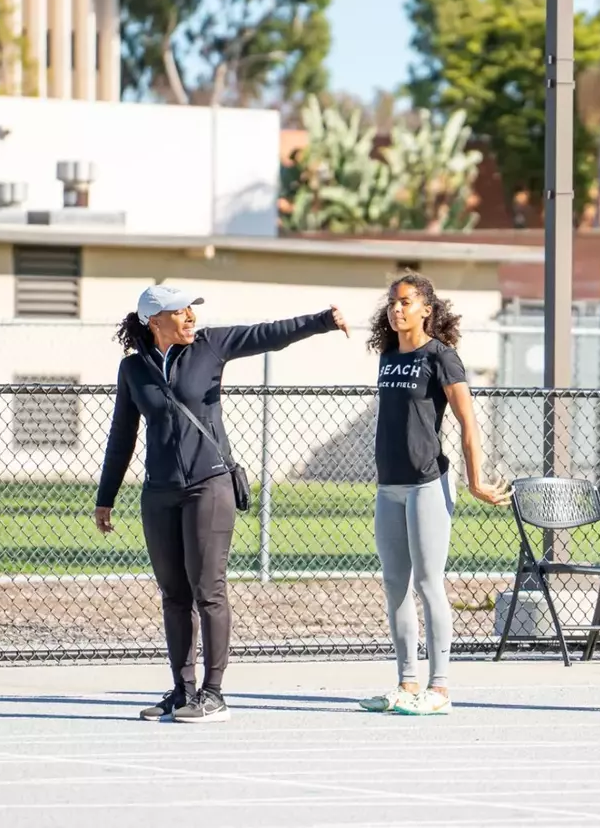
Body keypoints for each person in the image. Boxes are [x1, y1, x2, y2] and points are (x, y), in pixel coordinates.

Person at [94, 286, 347, 724]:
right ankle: (183, 690)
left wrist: (323, 320)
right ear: (155, 321)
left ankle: (214, 694)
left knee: (207, 590)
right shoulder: (133, 369)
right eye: (180, 311)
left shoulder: (211, 346)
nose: (191, 317)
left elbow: (268, 334)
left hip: (209, 486)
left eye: (193, 310)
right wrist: (106, 497)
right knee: (173, 596)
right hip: (159, 493)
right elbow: (122, 434)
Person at [357, 273, 511, 717]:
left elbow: (468, 422)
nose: (396, 309)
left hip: (428, 483)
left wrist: (476, 480)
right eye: (392, 302)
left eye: (405, 302)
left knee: (428, 583)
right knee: (395, 586)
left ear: (427, 308)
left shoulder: (441, 357)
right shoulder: (388, 356)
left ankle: (439, 687)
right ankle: (407, 683)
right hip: (389, 486)